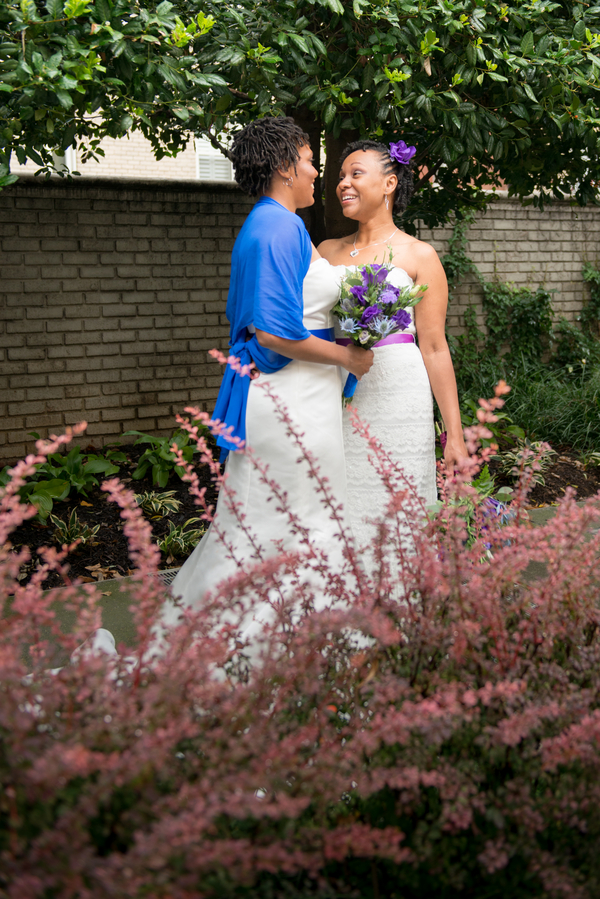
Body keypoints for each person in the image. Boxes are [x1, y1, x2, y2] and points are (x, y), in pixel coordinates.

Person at [166, 118, 373, 629]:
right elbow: (273, 335)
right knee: (292, 522)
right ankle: (261, 640)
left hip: (296, 402)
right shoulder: (278, 225)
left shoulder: (273, 222)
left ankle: (272, 633)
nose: (315, 172)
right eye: (309, 161)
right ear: (284, 167)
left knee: (280, 520)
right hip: (288, 406)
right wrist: (348, 358)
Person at [318, 139, 467, 547]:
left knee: (399, 502)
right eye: (341, 175)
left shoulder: (420, 255)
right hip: (335, 390)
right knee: (339, 501)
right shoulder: (324, 253)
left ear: (389, 183)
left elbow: (435, 348)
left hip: (400, 394)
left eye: (355, 174)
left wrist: (454, 433)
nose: (343, 183)